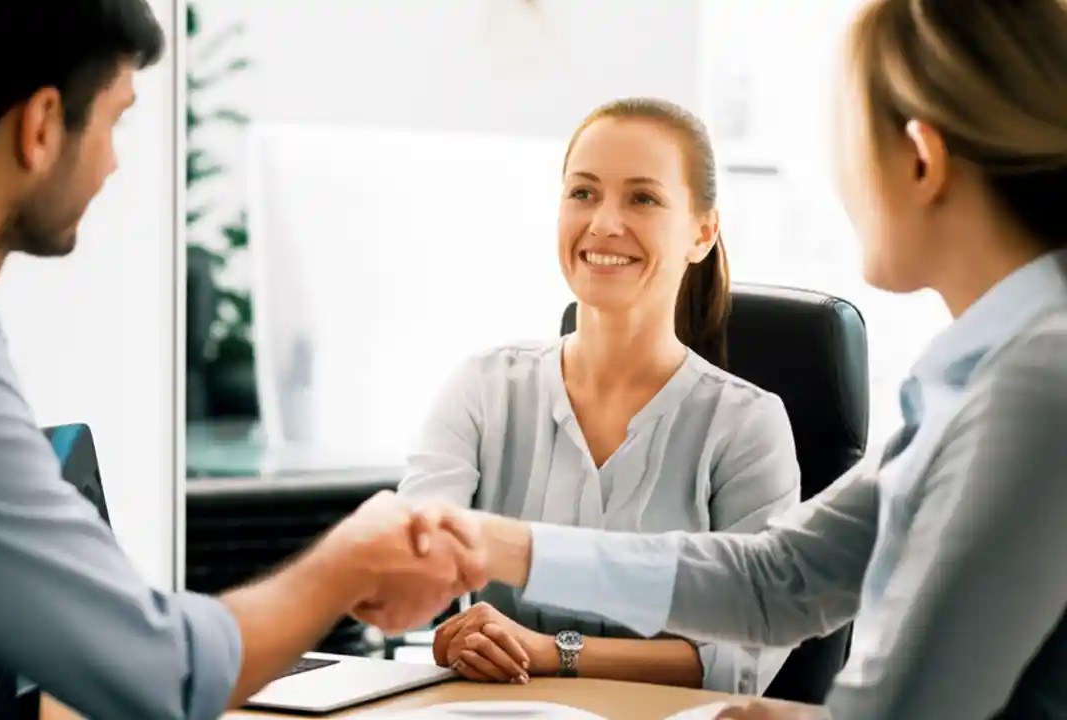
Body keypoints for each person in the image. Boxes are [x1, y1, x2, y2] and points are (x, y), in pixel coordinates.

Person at [0, 2, 485, 719]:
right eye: (116, 119)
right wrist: (350, 563)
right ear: (41, 126)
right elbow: (161, 680)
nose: (116, 161)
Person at [456, 0, 1067, 717]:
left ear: (922, 160)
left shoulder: (1037, 384)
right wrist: (505, 547)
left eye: (843, 142)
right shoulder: (983, 371)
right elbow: (782, 579)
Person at [399, 99, 800, 694]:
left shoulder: (746, 426)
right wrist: (449, 627)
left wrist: (552, 653)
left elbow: (743, 654)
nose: (604, 223)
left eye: (643, 198)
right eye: (583, 193)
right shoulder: (484, 389)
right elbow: (413, 562)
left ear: (701, 232)